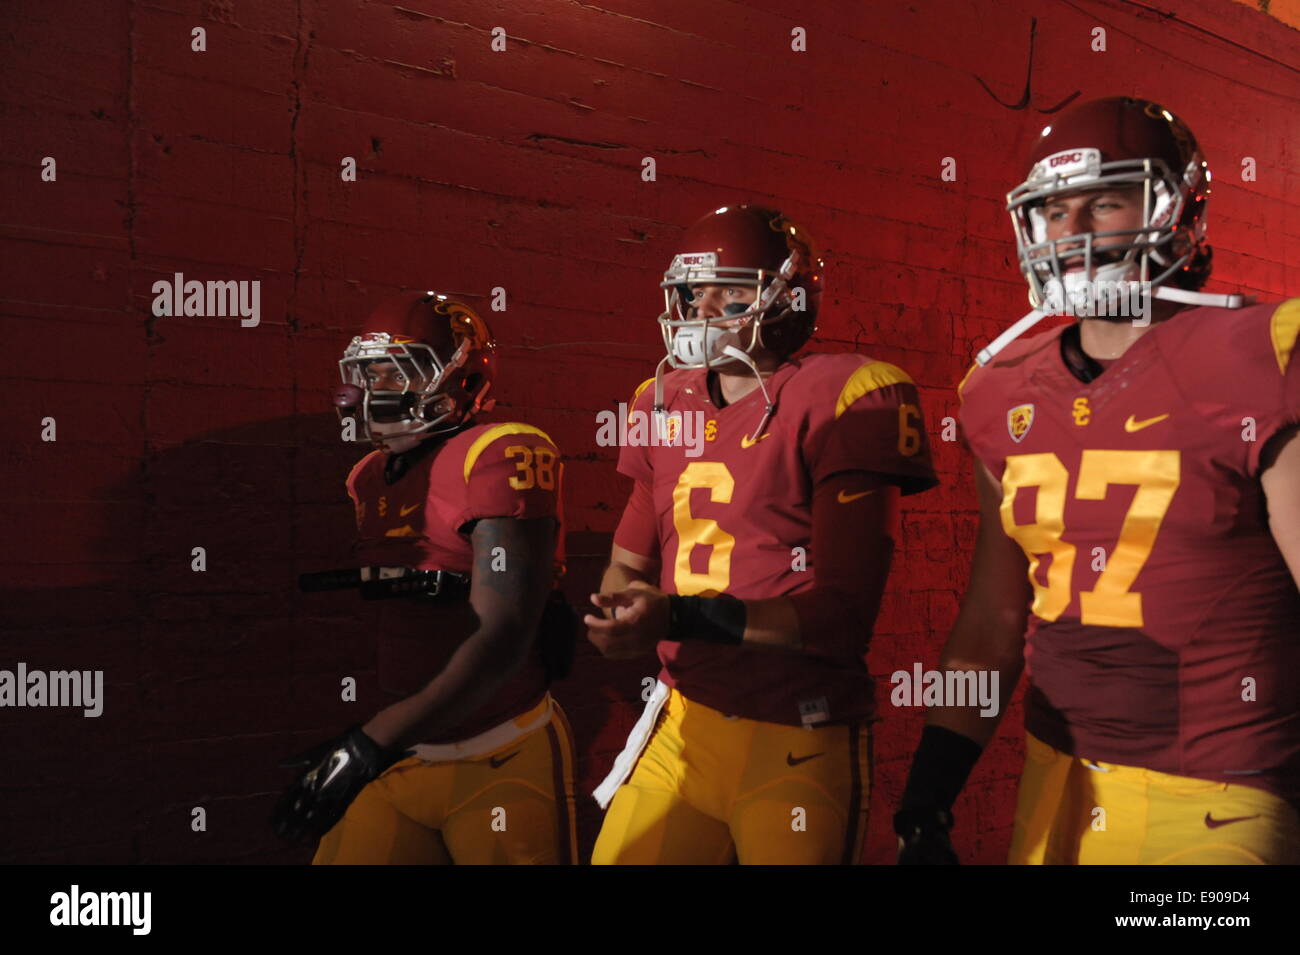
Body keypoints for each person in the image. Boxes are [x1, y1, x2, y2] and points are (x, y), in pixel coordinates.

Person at [895, 97, 1300, 865]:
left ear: (1178, 209)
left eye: (1106, 202)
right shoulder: (999, 389)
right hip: (1056, 785)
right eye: (1054, 210)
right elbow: (990, 621)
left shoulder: (1261, 354)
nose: (1073, 232)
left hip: (1218, 799)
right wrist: (928, 798)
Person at [586, 204, 938, 864]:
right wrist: (617, 609)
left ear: (789, 300)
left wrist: (676, 615)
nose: (705, 306)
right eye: (695, 291)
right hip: (684, 723)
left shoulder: (848, 393)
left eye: (733, 291)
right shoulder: (660, 401)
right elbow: (626, 561)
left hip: (796, 734)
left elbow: (841, 619)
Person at [271, 291, 579, 864]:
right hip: (404, 752)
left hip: (499, 749)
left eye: (396, 374)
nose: (373, 391)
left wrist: (369, 742)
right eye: (368, 375)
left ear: (461, 377)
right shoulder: (367, 476)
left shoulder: (499, 451)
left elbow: (502, 637)